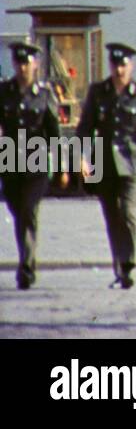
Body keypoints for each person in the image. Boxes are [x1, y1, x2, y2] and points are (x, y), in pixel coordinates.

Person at [76, 43, 136, 290]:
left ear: (131, 66)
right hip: (103, 163)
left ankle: (128, 262)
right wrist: (80, 157)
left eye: (123, 65)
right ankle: (119, 268)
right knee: (112, 217)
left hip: (132, 162)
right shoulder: (98, 91)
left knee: (127, 212)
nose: (119, 70)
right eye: (115, 65)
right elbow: (84, 128)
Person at [0, 42, 61, 290]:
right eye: (19, 62)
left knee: (28, 208)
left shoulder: (45, 94)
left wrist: (59, 166)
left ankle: (26, 266)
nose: (23, 67)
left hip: (36, 159)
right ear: (14, 64)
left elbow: (53, 132)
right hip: (10, 157)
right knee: (18, 212)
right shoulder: (4, 91)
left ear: (35, 65)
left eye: (27, 63)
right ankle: (28, 257)